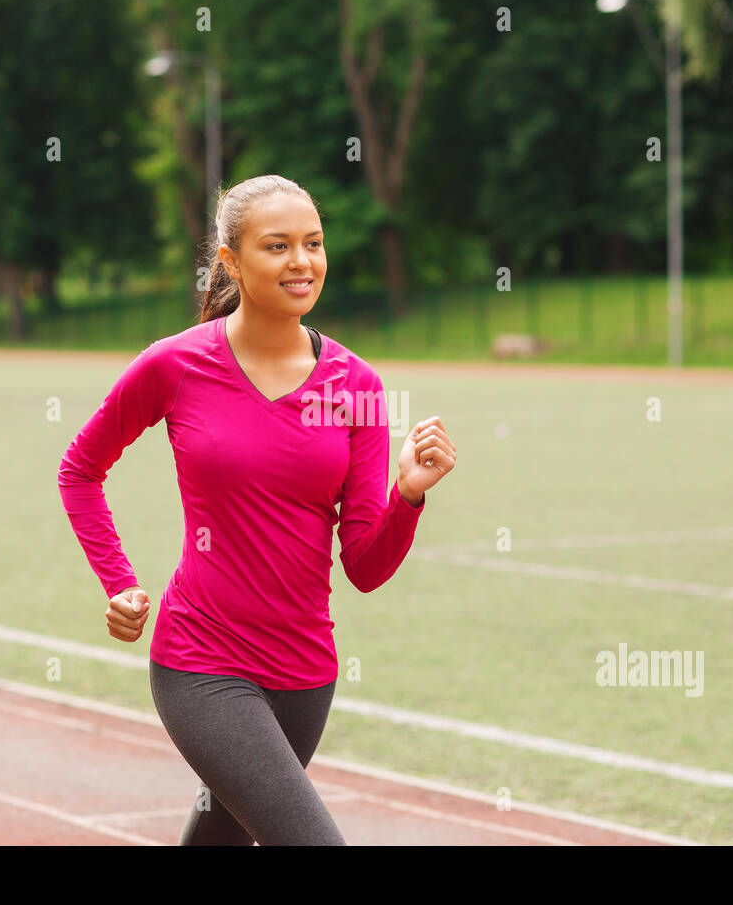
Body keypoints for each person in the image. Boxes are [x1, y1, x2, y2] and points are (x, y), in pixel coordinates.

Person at [58, 174, 456, 845]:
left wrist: (409, 494)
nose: (302, 263)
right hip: (201, 660)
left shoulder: (356, 387)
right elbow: (81, 470)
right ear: (231, 262)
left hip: (305, 674)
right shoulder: (175, 365)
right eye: (278, 246)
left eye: (314, 244)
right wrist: (119, 582)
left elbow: (363, 565)